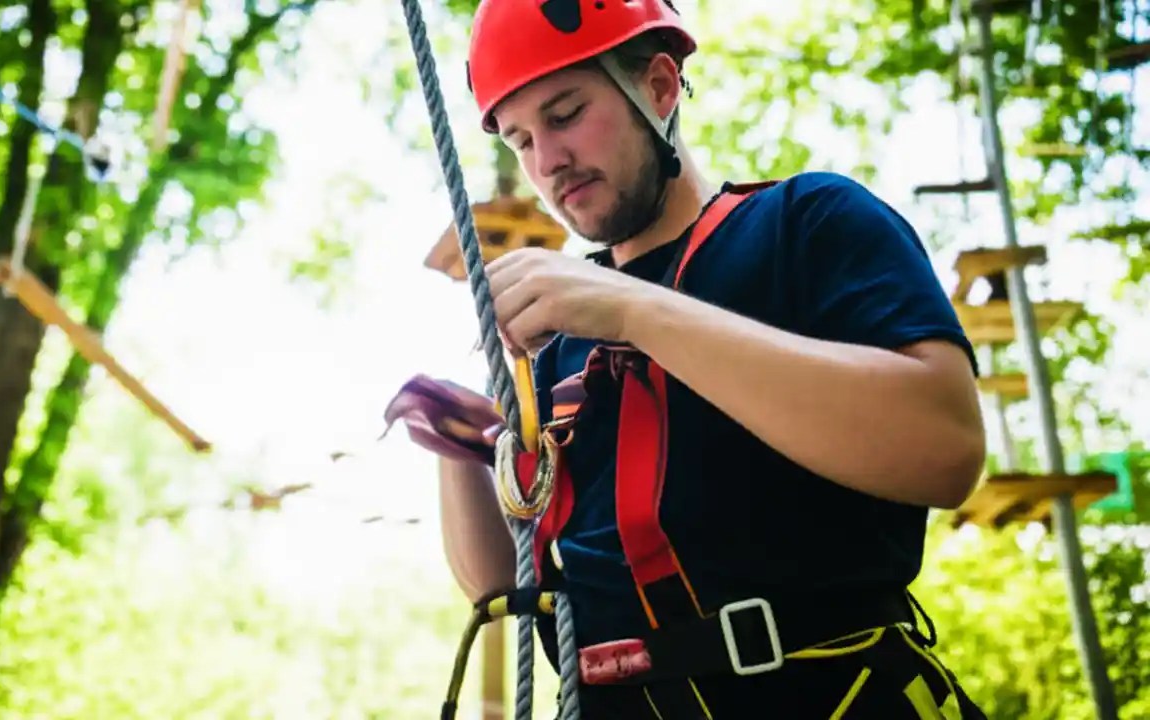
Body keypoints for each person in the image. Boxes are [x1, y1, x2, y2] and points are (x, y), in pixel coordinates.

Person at [399, 1, 991, 717]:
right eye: (522, 139)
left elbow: (944, 448)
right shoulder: (558, 335)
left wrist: (630, 310)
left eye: (565, 114)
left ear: (658, 87)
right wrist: (466, 451)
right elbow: (505, 589)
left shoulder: (808, 226)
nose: (547, 161)